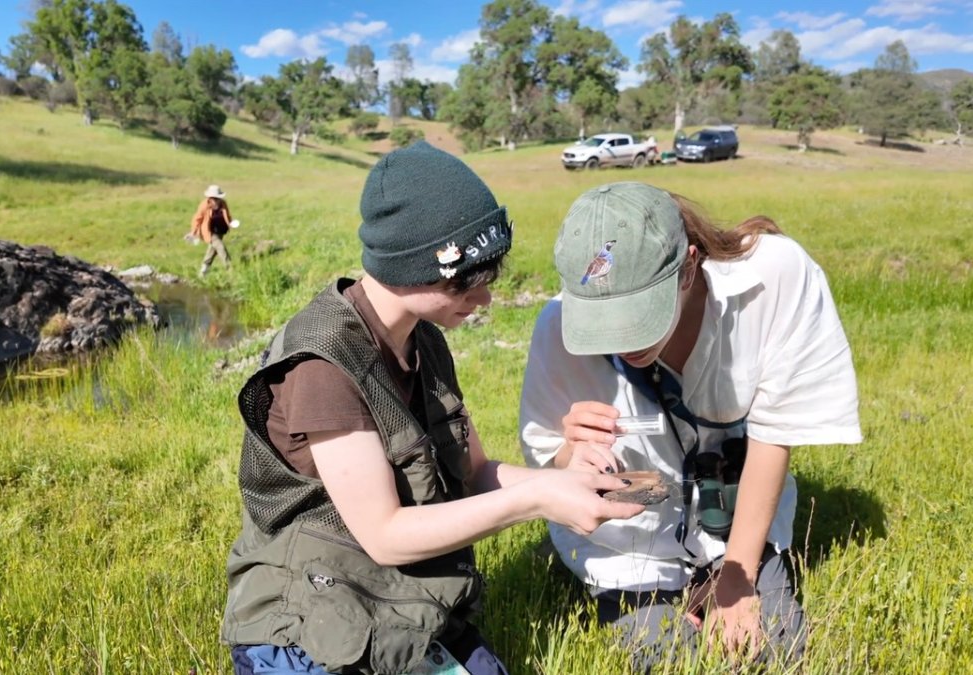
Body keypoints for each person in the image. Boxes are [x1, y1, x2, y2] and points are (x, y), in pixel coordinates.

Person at [223, 143, 645, 675]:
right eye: (471, 280)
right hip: (310, 622)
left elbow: (475, 473)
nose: (486, 299)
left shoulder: (425, 341)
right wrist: (537, 500)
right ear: (416, 266)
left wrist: (565, 479)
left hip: (398, 597)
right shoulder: (322, 363)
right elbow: (385, 534)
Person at [519, 182, 862, 671]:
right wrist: (571, 454)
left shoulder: (776, 278)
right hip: (632, 549)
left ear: (688, 266)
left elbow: (773, 432)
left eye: (638, 316)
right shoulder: (556, 326)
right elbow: (548, 456)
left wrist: (739, 576)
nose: (621, 339)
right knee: (669, 660)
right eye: (601, 321)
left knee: (780, 652)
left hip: (740, 528)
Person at [189, 184, 237, 276]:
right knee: (220, 247)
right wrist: (193, 232)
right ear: (210, 198)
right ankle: (230, 269)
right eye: (213, 198)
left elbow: (227, 214)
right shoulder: (204, 205)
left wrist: (231, 222)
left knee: (213, 250)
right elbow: (197, 219)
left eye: (216, 198)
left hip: (221, 230)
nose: (215, 200)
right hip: (209, 231)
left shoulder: (223, 203)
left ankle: (204, 269)